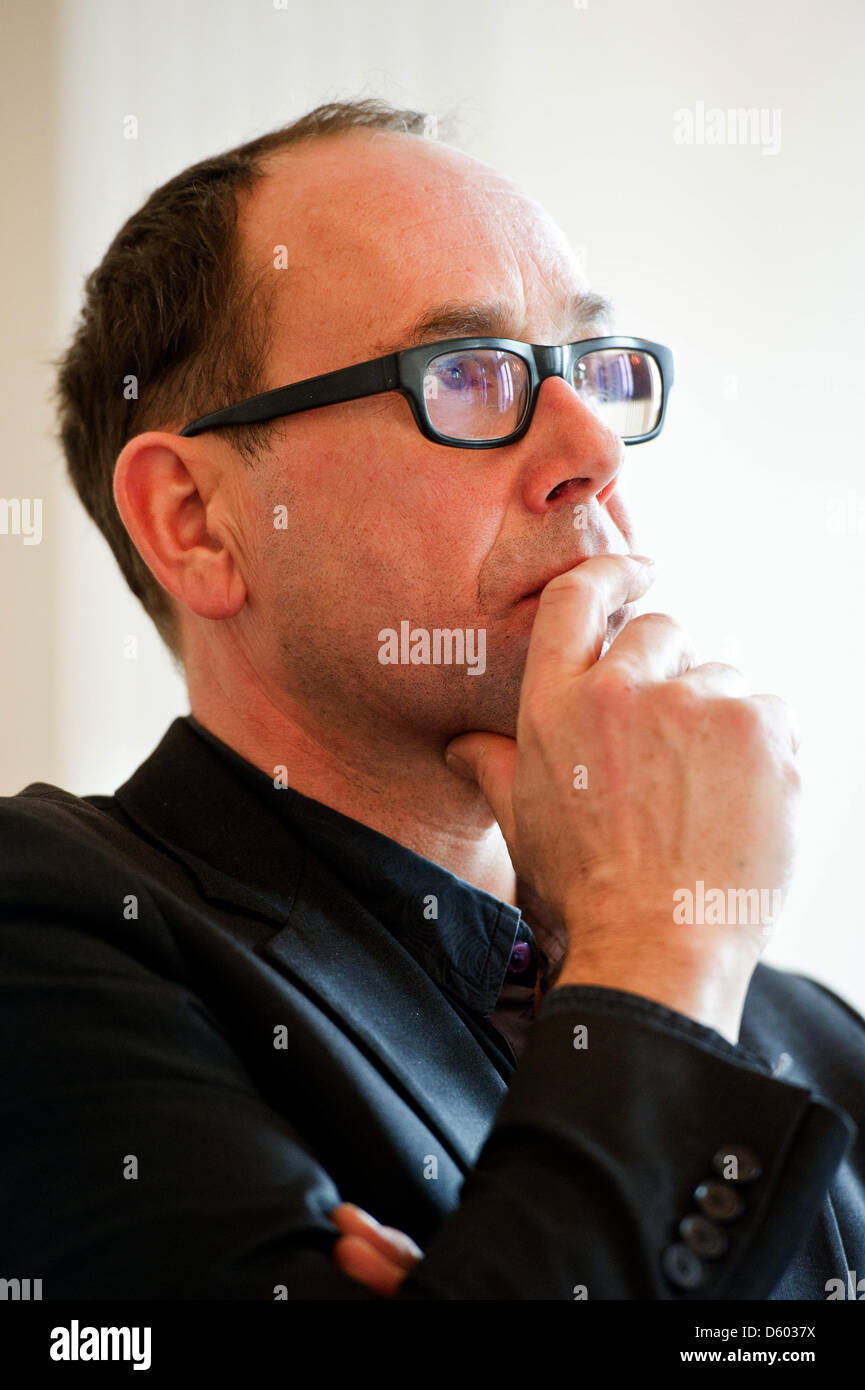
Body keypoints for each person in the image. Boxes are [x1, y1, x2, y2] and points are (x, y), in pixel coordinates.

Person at [2, 98, 862, 1301]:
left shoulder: (816, 1039)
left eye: (591, 369)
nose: (594, 452)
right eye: (465, 374)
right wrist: (653, 960)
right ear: (196, 522)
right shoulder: (52, 936)